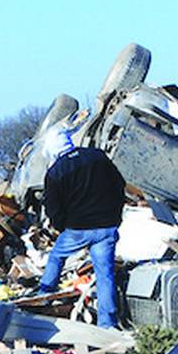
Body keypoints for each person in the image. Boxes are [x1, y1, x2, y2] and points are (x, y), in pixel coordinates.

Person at [36, 131, 126, 329]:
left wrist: (62, 227)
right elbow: (119, 185)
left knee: (56, 257)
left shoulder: (55, 172)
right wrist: (115, 215)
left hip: (78, 228)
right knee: (105, 274)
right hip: (106, 225)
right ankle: (107, 323)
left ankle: (43, 297)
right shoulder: (97, 156)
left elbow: (53, 209)